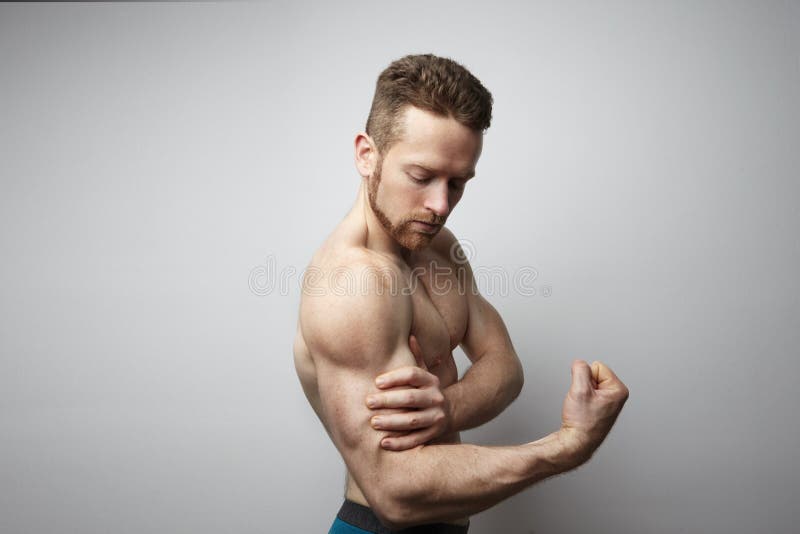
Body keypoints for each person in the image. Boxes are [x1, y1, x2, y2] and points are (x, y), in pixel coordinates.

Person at [293, 53, 629, 534]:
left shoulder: (436, 246)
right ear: (367, 154)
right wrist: (566, 447)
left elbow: (505, 366)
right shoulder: (353, 283)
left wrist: (447, 407)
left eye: (457, 183)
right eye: (421, 177)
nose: (440, 205)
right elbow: (393, 494)